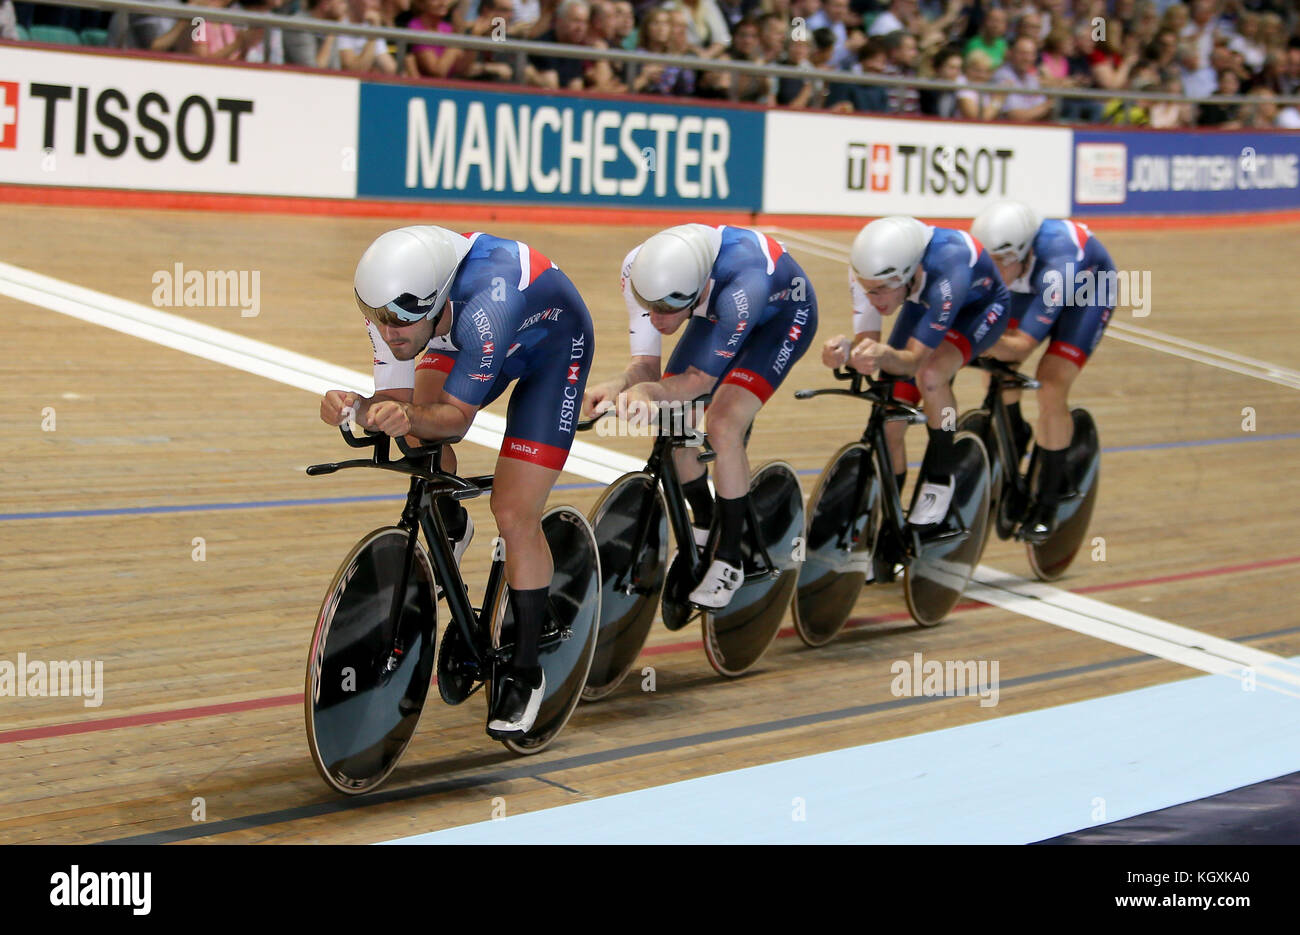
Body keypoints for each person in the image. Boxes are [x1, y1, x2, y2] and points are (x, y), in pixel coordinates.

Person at [318, 227, 595, 737]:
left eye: (401, 319)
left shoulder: (488, 306)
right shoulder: (394, 304)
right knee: (412, 430)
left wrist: (403, 414)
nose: (389, 330)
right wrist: (354, 406)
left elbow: (452, 419)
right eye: (377, 318)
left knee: (513, 512)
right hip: (466, 338)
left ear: (434, 297)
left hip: (552, 350)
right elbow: (396, 405)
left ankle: (526, 672)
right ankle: (451, 521)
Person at [582, 225, 819, 610]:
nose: (656, 319)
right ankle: (706, 519)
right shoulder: (640, 270)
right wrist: (621, 383)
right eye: (650, 307)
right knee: (673, 424)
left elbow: (698, 382)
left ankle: (730, 558)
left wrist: (649, 392)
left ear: (695, 292)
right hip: (716, 314)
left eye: (667, 310)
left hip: (781, 320)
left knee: (723, 423)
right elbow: (645, 367)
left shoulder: (744, 286)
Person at [821, 216, 1010, 527]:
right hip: (923, 301)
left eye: (880, 291)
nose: (873, 299)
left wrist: (883, 356)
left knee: (932, 374)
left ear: (906, 275)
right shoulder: (870, 274)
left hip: (979, 309)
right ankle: (889, 523)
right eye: (867, 291)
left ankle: (940, 475)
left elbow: (911, 362)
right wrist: (844, 352)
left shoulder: (949, 272)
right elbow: (869, 347)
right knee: (889, 422)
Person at [971, 201, 1115, 542]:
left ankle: (1048, 501)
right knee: (997, 366)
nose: (989, 271)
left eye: (997, 263)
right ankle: (1015, 431)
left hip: (1086, 293)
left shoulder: (1058, 263)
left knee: (1050, 383)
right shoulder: (1002, 261)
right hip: (1028, 287)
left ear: (1022, 252)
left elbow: (1021, 346)